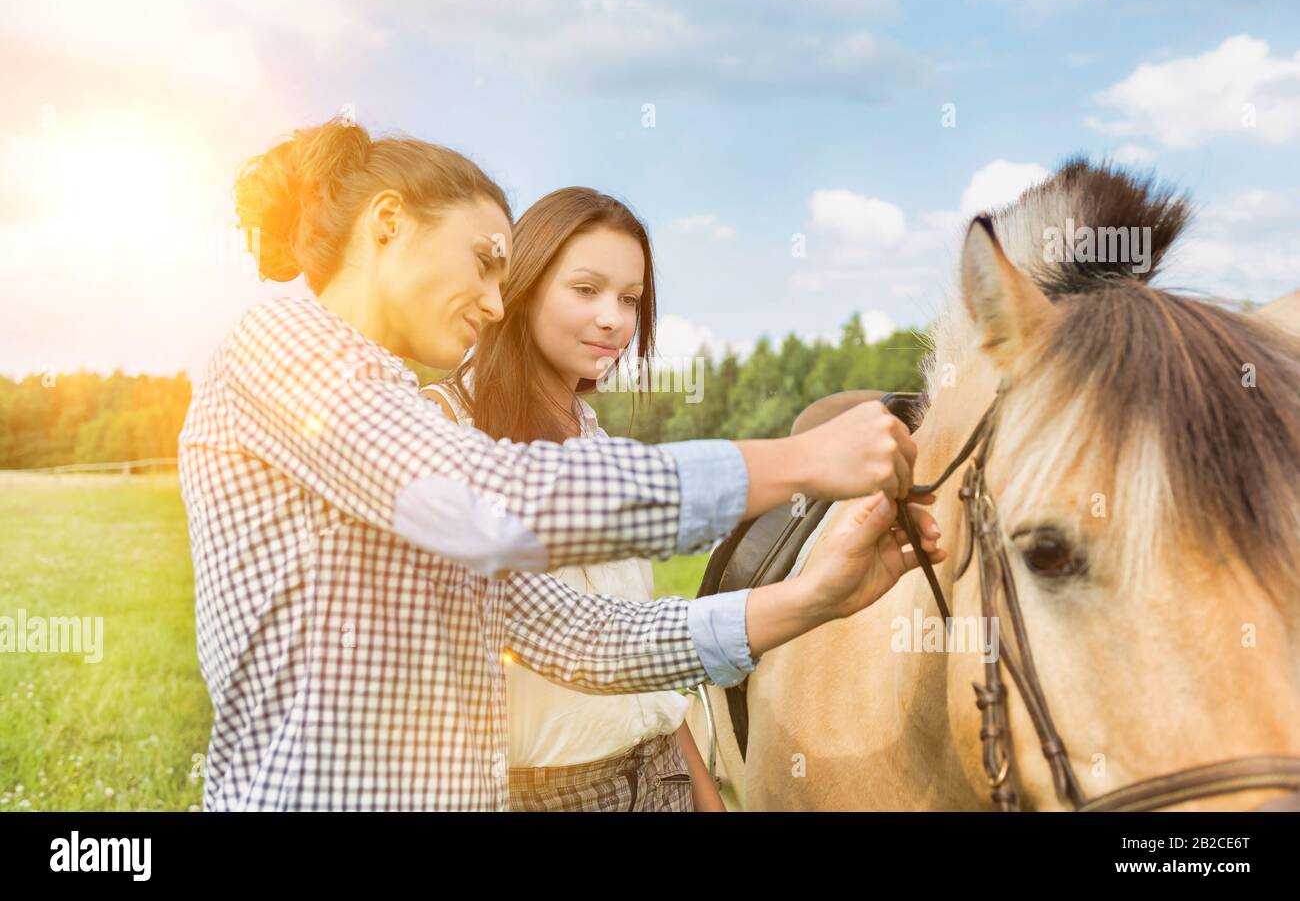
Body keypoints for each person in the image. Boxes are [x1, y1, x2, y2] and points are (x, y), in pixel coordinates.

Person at [177, 117, 945, 811]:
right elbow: (490, 502)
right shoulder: (286, 348)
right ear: (388, 223)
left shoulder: (395, 409)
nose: (492, 301)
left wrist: (818, 596)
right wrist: (802, 458)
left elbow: (584, 639)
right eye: (484, 265)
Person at [426, 186, 724, 811]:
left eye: (630, 299)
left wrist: (703, 794)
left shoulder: (600, 439)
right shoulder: (441, 431)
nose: (614, 319)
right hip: (540, 793)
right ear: (525, 284)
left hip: (659, 774)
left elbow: (638, 651)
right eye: (586, 290)